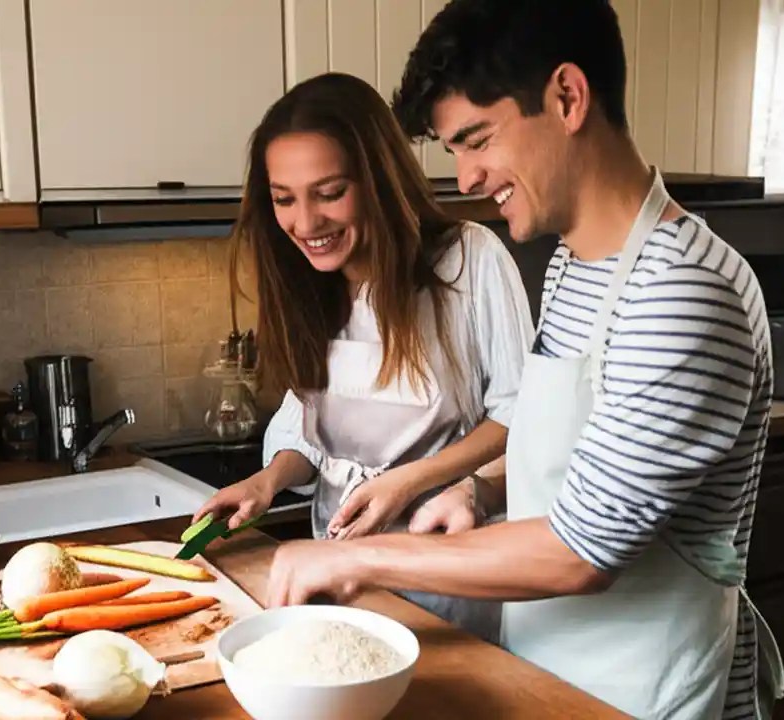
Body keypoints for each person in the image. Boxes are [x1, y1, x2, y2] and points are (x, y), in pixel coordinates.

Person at [264, 1, 784, 718]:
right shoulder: (577, 264)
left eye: (477, 140)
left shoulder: (683, 293)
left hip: (649, 692)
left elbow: (579, 553)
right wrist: (481, 491)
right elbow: (575, 454)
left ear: (567, 97)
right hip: (549, 674)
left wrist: (353, 556)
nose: (468, 177)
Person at [192, 71, 533, 643]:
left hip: (446, 575)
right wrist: (266, 482)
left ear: (378, 178)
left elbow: (519, 414)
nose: (306, 223)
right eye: (284, 199)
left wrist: (409, 480)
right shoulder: (304, 284)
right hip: (338, 570)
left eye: (329, 193)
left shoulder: (468, 261)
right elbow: (311, 429)